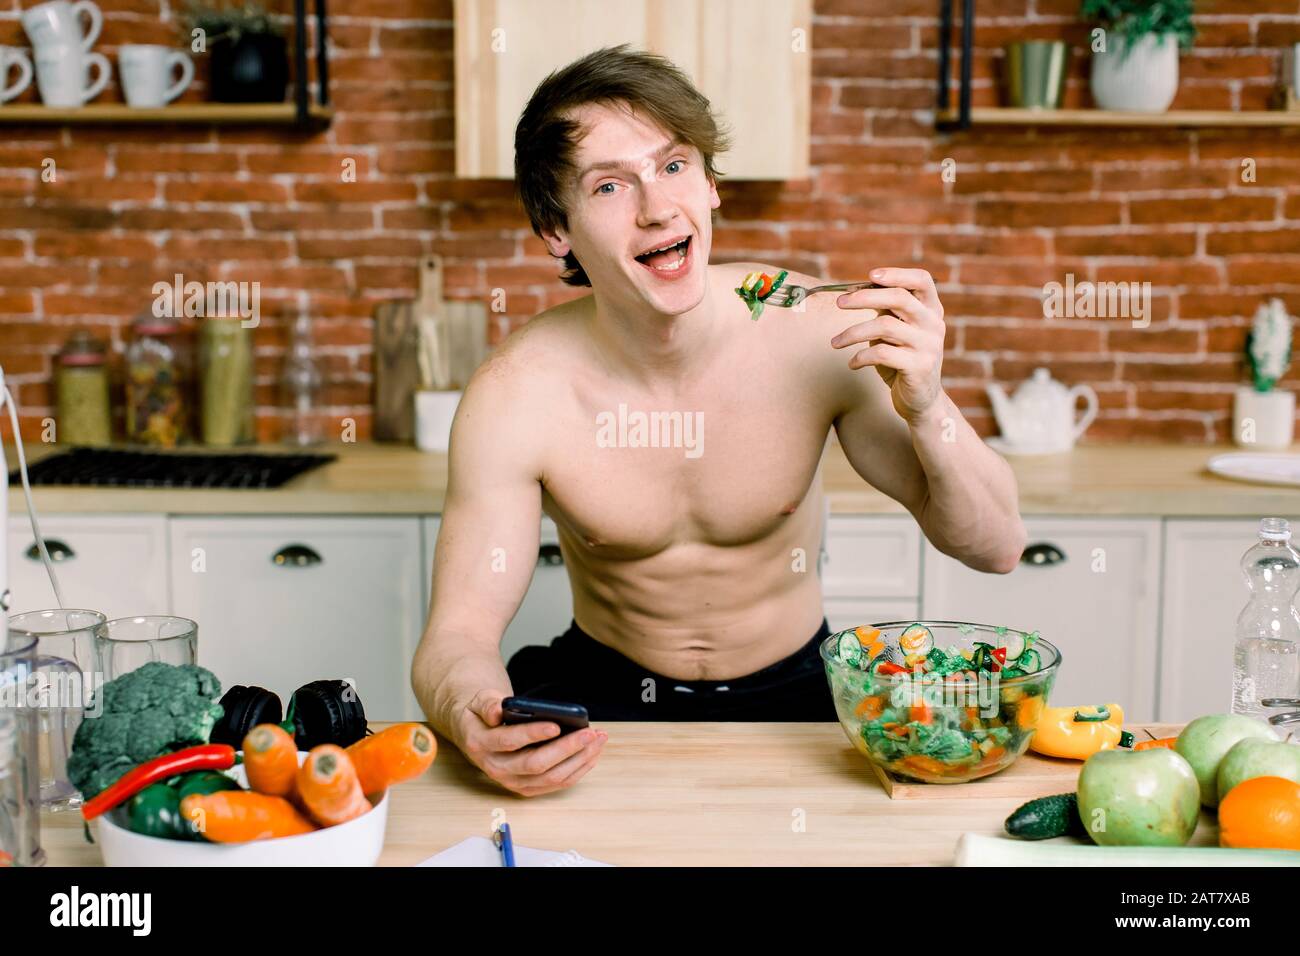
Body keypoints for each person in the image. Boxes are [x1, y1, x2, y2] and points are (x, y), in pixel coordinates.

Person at [411, 45, 1026, 797]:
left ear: (710, 186)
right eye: (609, 185)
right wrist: (469, 710)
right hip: (602, 703)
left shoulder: (818, 332)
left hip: (800, 699)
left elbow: (995, 546)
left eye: (673, 167)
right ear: (556, 230)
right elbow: (458, 636)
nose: (656, 207)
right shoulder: (516, 393)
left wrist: (930, 407)